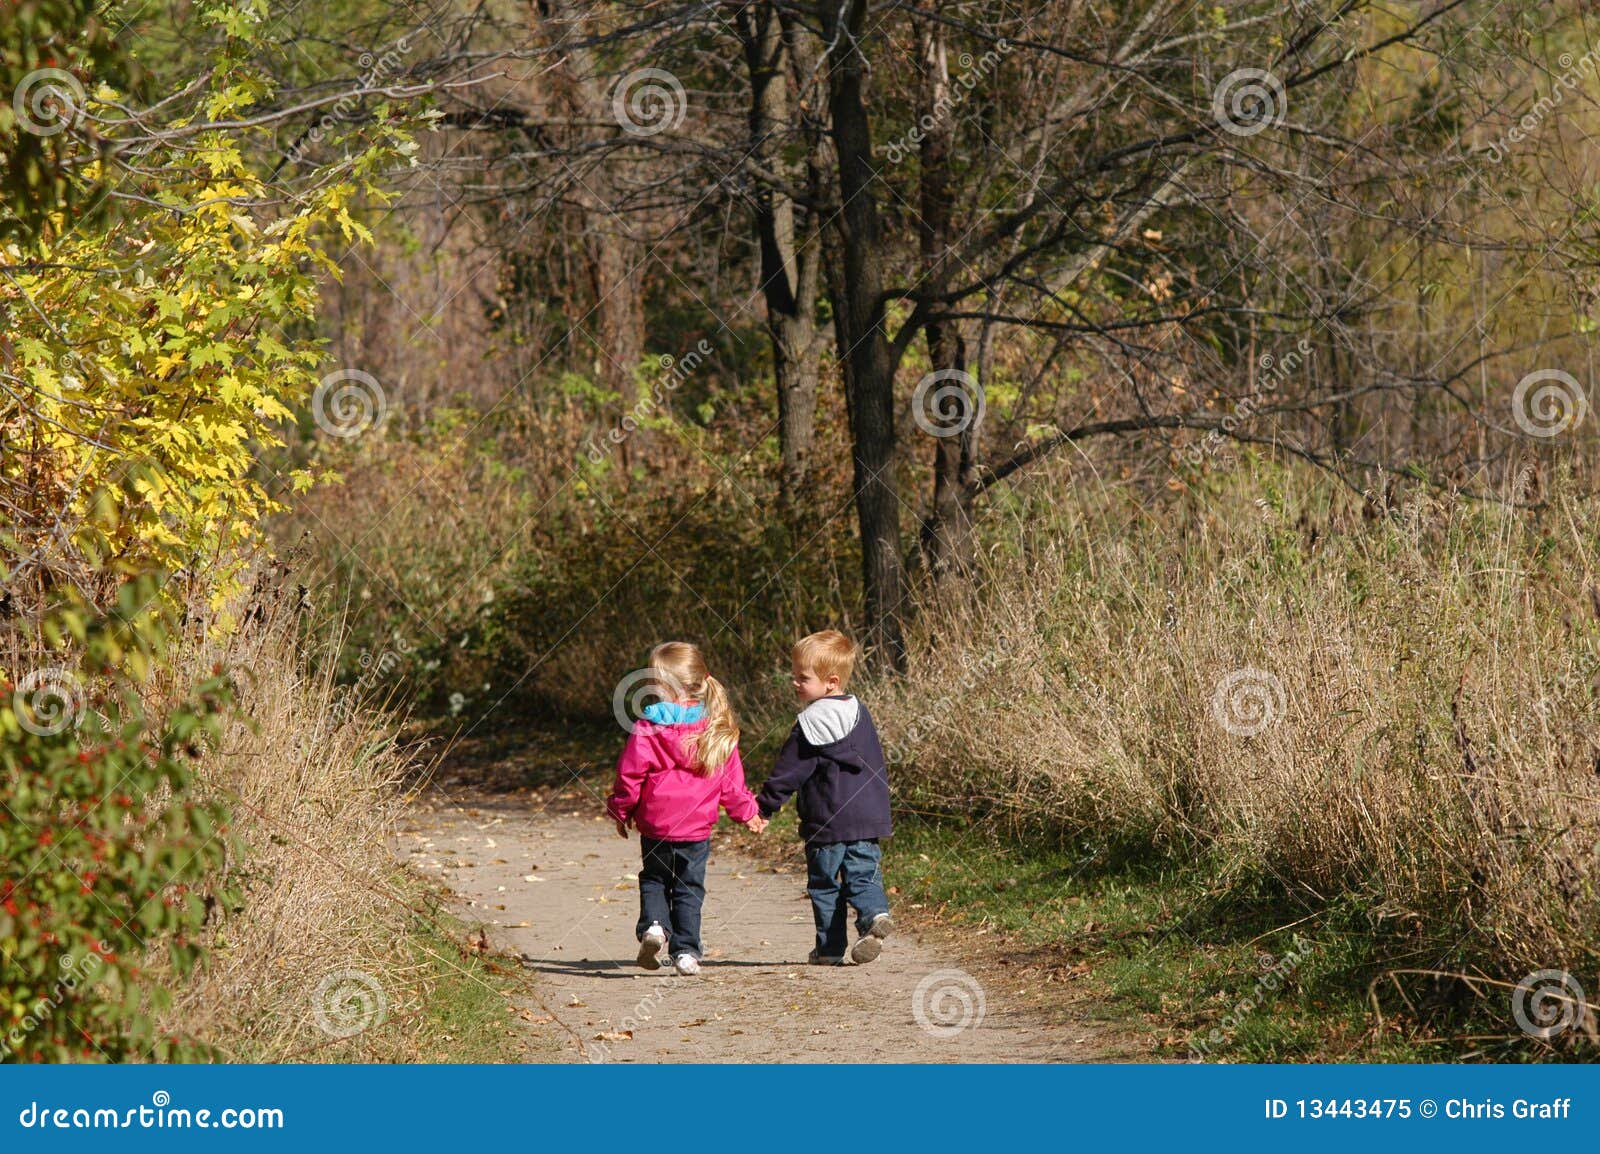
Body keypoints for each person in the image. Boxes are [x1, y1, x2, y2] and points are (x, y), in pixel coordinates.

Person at [606, 642, 766, 976]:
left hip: (657, 825)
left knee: (654, 879)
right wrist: (748, 813)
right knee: (689, 889)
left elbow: (629, 776)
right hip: (696, 827)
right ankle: (686, 952)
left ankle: (654, 928)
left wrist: (621, 810)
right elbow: (731, 784)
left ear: (661, 687)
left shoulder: (648, 727)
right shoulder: (715, 728)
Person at [757, 630, 894, 965]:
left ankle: (830, 949)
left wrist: (764, 808)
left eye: (802, 677)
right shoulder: (860, 713)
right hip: (867, 819)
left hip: (827, 821)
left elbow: (788, 772)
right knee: (863, 876)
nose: (795, 683)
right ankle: (875, 915)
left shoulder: (808, 725)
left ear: (831, 681)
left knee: (824, 884)